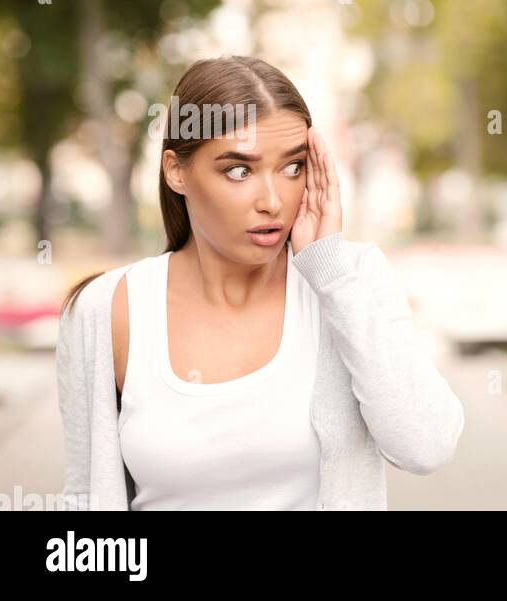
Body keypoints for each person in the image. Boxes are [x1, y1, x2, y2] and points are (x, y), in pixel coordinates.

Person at [57, 56, 464, 510]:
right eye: (238, 170)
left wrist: (331, 275)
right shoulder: (104, 311)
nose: (273, 201)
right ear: (176, 171)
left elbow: (426, 445)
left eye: (292, 168)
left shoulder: (350, 279)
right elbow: (87, 500)